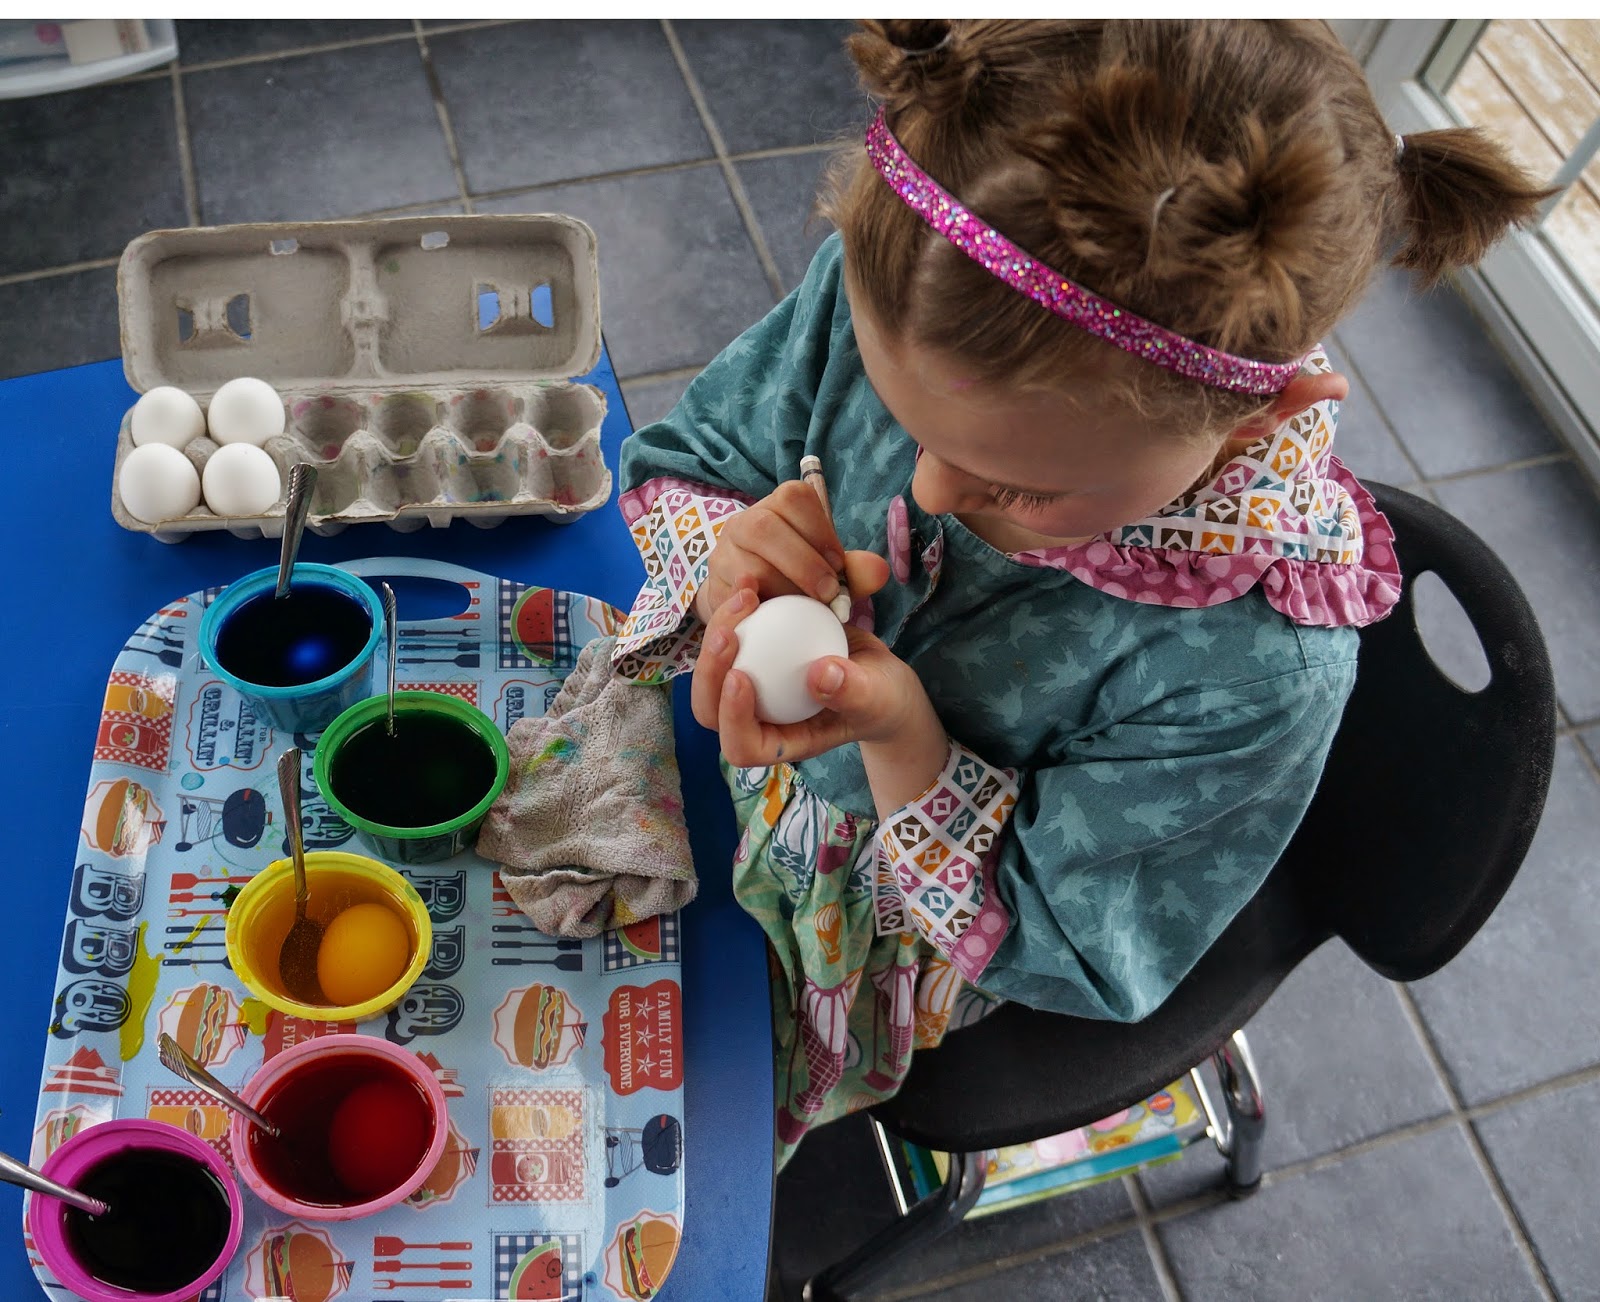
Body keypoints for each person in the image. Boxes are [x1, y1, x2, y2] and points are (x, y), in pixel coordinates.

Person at [608, 19, 1547, 1167]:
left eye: (1019, 483)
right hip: (752, 776)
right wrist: (727, 558)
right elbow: (696, 454)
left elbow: (1069, 946)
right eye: (905, 422)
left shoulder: (1251, 665)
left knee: (642, 1114)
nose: (928, 490)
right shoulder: (933, 302)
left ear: (1260, 418)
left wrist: (905, 737)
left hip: (915, 918)